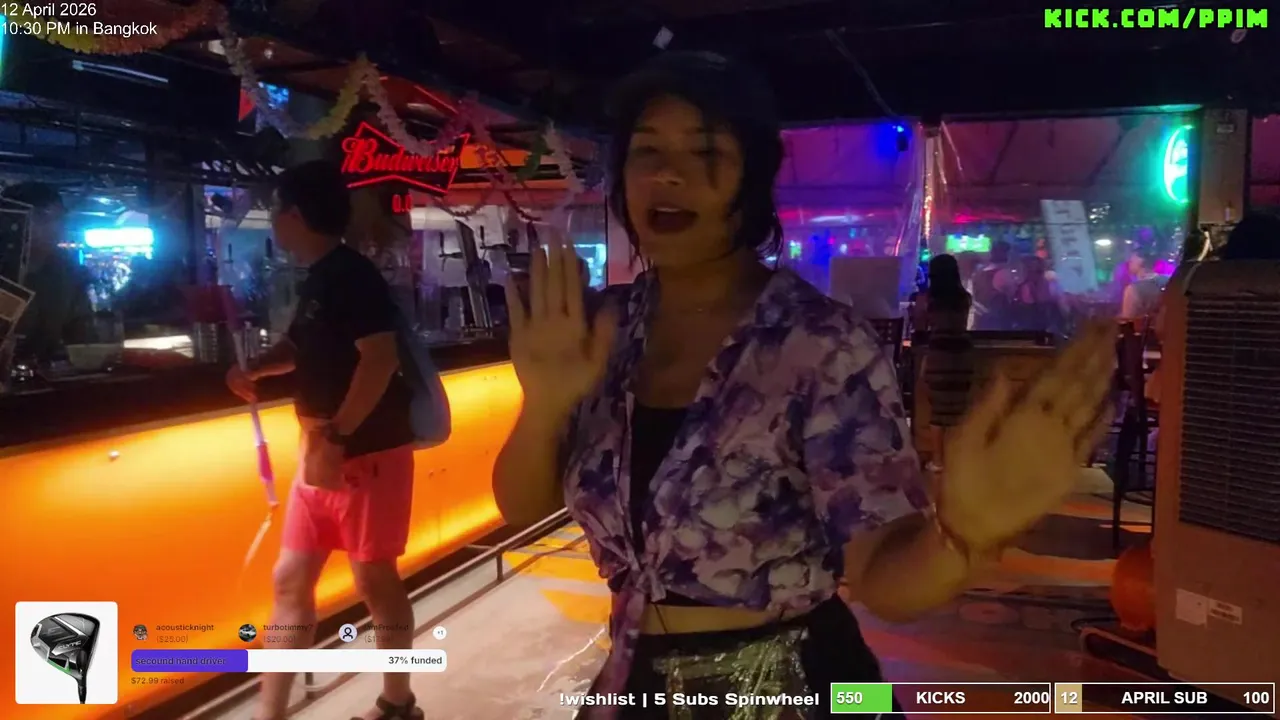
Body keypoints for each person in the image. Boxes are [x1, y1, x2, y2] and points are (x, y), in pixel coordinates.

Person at [492, 52, 1115, 720]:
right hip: (634, 685)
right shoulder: (602, 329)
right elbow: (522, 509)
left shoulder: (820, 343)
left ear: (753, 178)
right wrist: (545, 407)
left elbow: (883, 580)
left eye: (705, 151)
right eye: (647, 150)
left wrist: (962, 538)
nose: (667, 173)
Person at [225, 161, 422, 720]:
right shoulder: (321, 276)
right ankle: (270, 714)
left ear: (293, 214)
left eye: (275, 210)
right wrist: (259, 367)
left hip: (364, 452)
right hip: (323, 449)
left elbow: (379, 359)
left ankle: (399, 703)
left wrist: (338, 433)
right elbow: (302, 348)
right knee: (290, 580)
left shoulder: (351, 275)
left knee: (374, 579)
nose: (273, 222)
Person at [1, 182, 96, 362]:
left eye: (60, 219)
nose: (56, 227)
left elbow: (83, 334)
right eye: (43, 218)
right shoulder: (6, 270)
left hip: (43, 373)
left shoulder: (68, 271)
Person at [914, 254, 975, 468]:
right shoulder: (965, 298)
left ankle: (938, 461)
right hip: (963, 354)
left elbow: (920, 326)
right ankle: (958, 458)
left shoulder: (928, 299)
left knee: (938, 411)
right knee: (959, 410)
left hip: (939, 353)